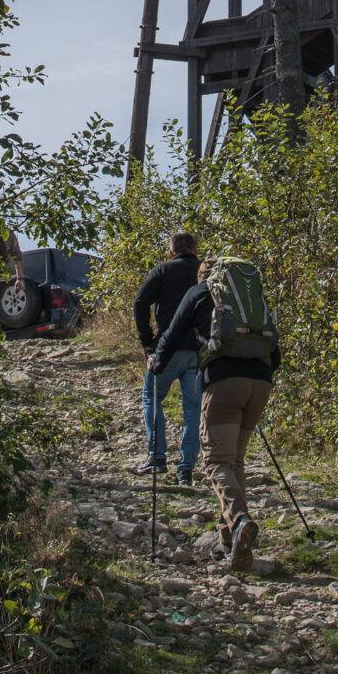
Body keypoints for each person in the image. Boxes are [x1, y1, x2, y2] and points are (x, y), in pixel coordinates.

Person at [147, 256, 279, 572]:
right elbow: (275, 352)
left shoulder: (199, 292)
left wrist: (157, 364)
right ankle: (228, 542)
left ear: (204, 276)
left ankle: (239, 521)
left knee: (217, 462)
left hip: (223, 383)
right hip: (259, 383)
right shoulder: (251, 299)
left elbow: (172, 332)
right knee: (233, 461)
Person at [133, 230, 203, 485]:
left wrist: (147, 340)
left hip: (167, 347)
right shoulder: (205, 273)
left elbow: (140, 301)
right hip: (197, 349)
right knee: (193, 408)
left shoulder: (163, 270)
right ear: (195, 250)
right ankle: (186, 468)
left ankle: (157, 456)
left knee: (151, 396)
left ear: (171, 251)